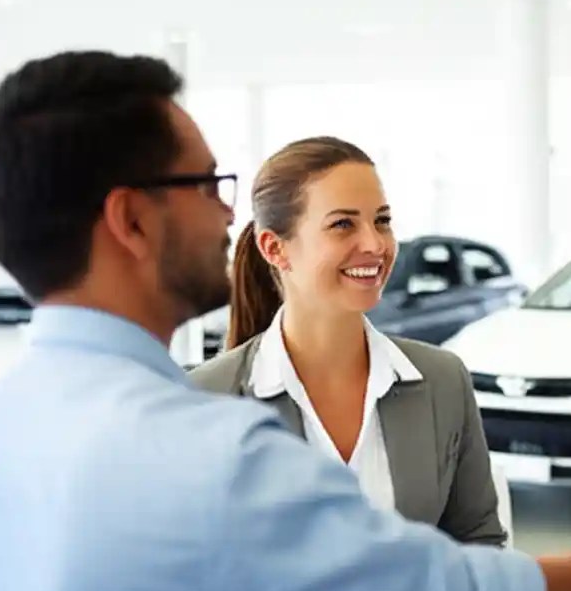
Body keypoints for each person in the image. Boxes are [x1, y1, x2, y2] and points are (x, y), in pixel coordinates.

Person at [0, 50, 571, 591]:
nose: (226, 214)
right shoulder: (211, 448)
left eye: (381, 220)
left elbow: (471, 546)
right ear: (132, 220)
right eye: (205, 186)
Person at [188, 136, 507, 546]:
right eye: (343, 224)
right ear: (275, 248)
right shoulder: (207, 400)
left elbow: (479, 540)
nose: (375, 244)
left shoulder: (442, 381)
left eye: (382, 221)